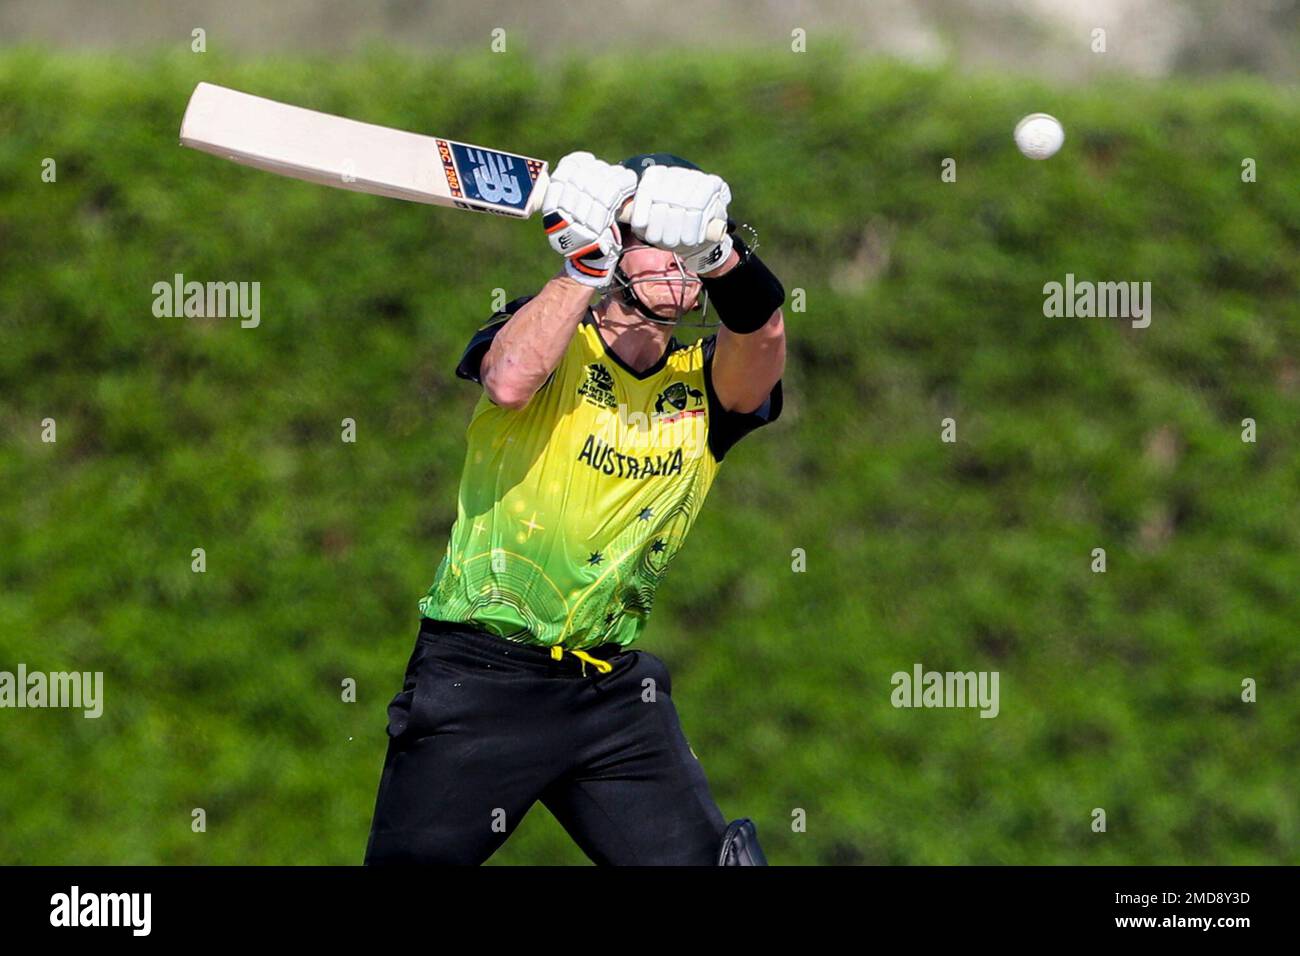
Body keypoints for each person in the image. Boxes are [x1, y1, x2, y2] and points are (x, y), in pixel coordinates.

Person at [364, 151, 786, 865]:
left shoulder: (709, 380)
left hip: (611, 697)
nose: (684, 267)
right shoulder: (553, 336)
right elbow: (508, 380)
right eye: (669, 246)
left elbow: (765, 332)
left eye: (694, 252)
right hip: (480, 681)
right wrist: (581, 270)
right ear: (620, 252)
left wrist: (721, 249)